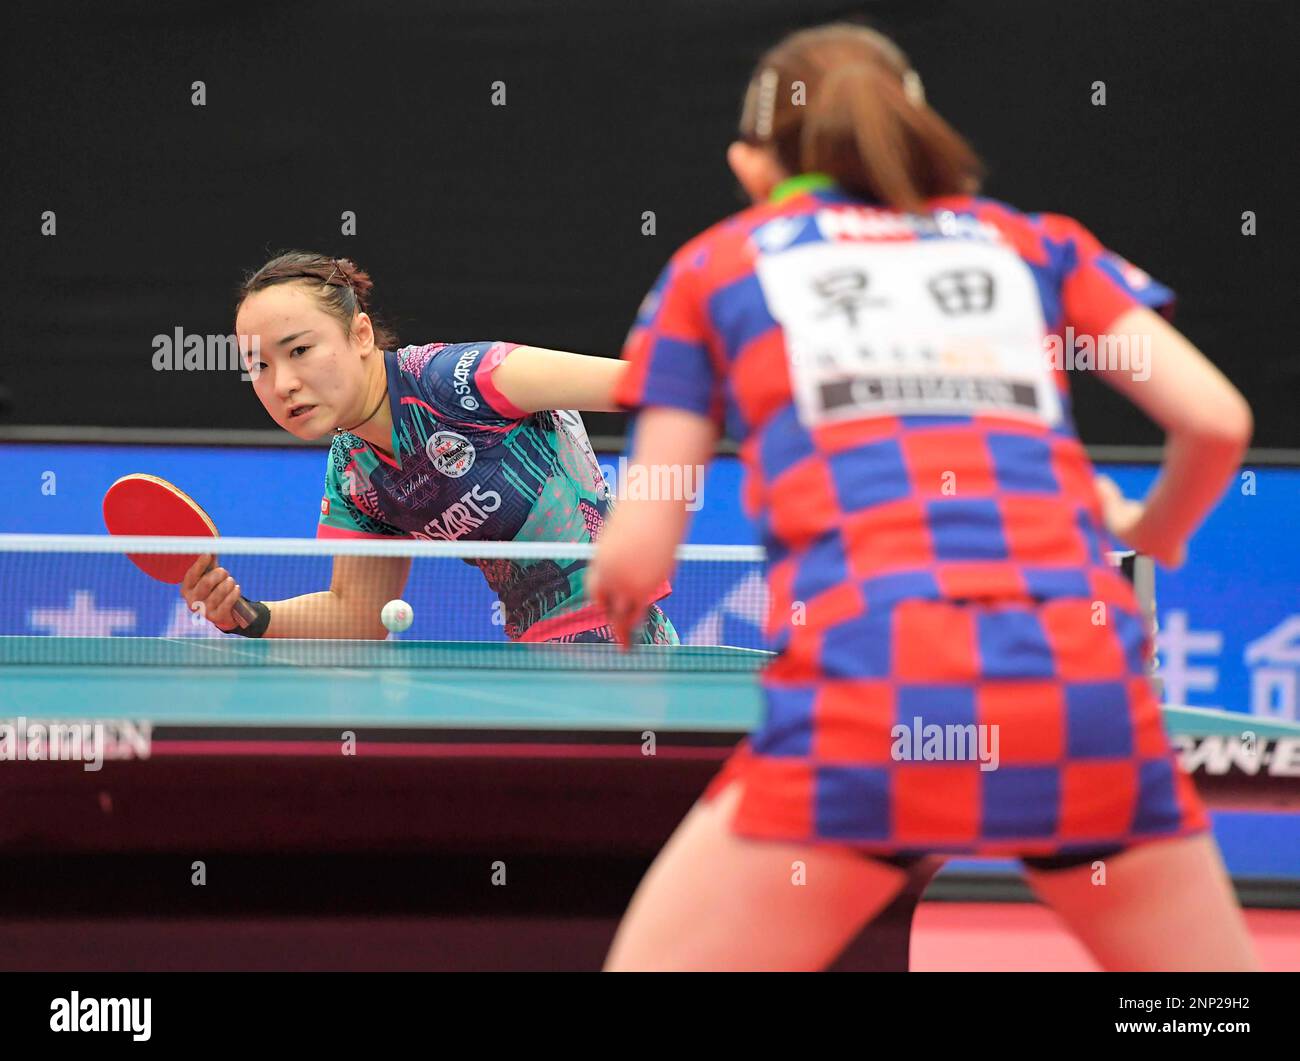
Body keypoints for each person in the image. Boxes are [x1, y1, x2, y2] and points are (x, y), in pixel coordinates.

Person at [590, 23, 1257, 970]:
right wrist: (1155, 528)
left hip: (874, 701)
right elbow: (1217, 422)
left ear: (752, 163)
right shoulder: (1033, 246)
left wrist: (616, 581)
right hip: (1082, 694)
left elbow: (637, 555)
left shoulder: (718, 267)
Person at [183, 251, 675, 645]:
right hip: (540, 657)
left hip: (629, 647)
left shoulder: (464, 380)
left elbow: (649, 384)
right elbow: (358, 615)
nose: (282, 383)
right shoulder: (353, 472)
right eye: (259, 366)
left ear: (360, 334)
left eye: (299, 350)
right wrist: (246, 617)